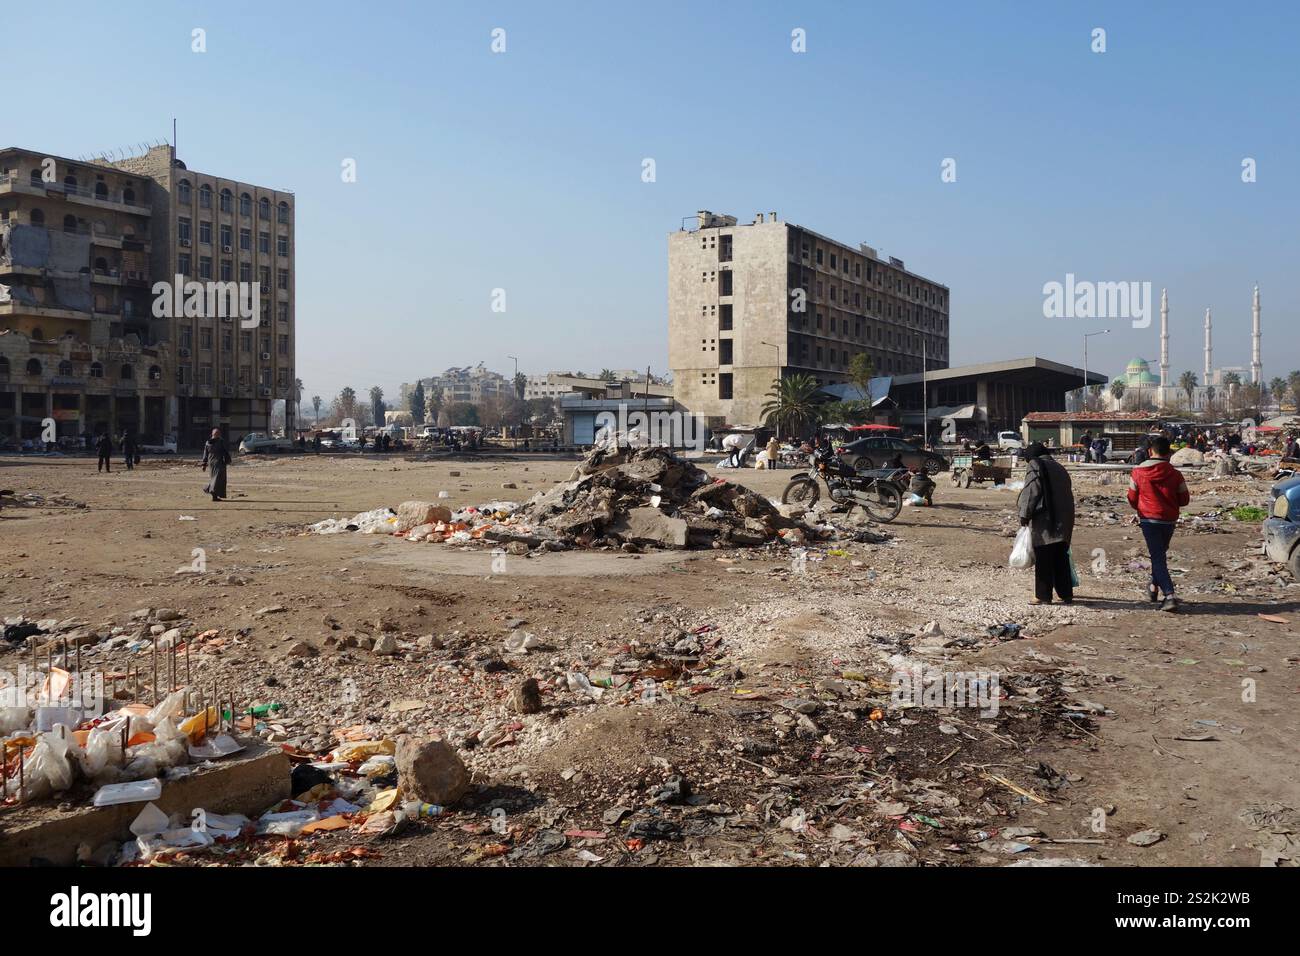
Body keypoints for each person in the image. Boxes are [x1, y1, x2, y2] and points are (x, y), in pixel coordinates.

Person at [1127, 434, 1190, 612]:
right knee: (1159, 555)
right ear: (1169, 453)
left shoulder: (1138, 472)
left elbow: (1132, 498)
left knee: (1158, 557)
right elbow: (1184, 499)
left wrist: (1141, 507)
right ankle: (1153, 587)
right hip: (1169, 520)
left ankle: (1169, 596)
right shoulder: (1176, 474)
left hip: (1149, 519)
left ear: (1149, 451)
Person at [1017, 442, 1076, 605]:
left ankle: (1043, 595)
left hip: (1046, 521)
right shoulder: (1059, 467)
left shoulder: (1035, 465)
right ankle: (1066, 594)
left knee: (1044, 557)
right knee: (1060, 557)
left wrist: (1024, 515)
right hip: (1064, 519)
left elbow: (1031, 492)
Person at [201, 427, 231, 502]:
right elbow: (225, 451)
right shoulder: (220, 441)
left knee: (215, 479)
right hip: (219, 462)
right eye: (217, 434)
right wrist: (228, 460)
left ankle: (214, 495)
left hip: (211, 462)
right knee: (217, 479)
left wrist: (204, 464)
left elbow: (205, 454)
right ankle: (208, 489)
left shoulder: (207, 442)